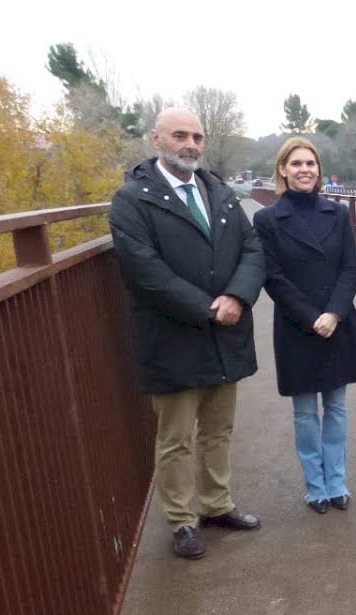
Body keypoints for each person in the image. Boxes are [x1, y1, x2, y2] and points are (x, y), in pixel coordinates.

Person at [109, 107, 266, 559]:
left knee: (218, 429)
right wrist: (207, 308)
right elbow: (145, 272)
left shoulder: (217, 190)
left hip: (225, 331)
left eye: (197, 136)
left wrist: (236, 297)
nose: (191, 144)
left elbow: (252, 249)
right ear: (156, 138)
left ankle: (217, 504)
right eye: (180, 135)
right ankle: (181, 521)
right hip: (174, 335)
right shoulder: (133, 199)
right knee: (175, 436)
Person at [253, 138, 356, 513]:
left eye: (311, 163)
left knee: (337, 408)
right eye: (297, 163)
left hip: (336, 320)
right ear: (282, 170)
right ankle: (316, 486)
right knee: (305, 412)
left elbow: (348, 267)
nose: (305, 169)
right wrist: (312, 317)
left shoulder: (337, 214)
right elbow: (271, 276)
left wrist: (334, 313)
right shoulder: (267, 220)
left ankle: (337, 482)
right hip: (297, 325)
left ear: (319, 170)